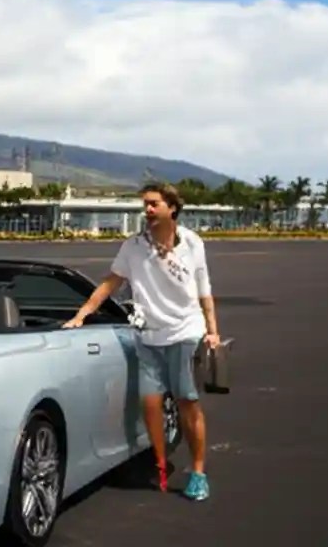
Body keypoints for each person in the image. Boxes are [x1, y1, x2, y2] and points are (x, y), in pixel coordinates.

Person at [61, 182, 220, 501]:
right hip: (149, 335)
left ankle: (199, 472)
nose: (146, 210)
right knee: (150, 404)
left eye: (153, 204)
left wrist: (212, 330)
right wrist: (82, 314)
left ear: (171, 208)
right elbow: (110, 283)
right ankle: (161, 464)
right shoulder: (133, 246)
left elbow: (204, 289)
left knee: (186, 400)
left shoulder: (192, 242)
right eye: (144, 205)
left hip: (185, 331)